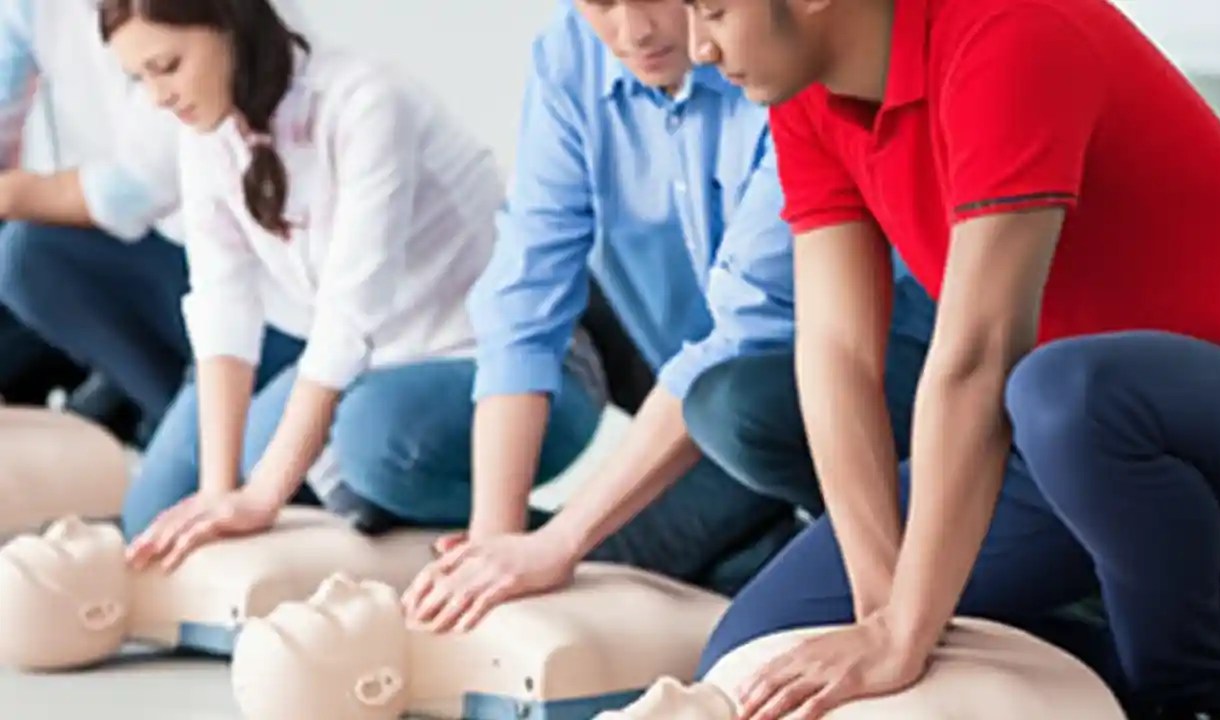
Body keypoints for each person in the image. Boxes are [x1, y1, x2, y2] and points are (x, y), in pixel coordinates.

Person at [683, 0, 1220, 718]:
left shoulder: (1012, 30)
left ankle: (1194, 692)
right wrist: (881, 611)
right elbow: (837, 350)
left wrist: (908, 631)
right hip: (1059, 447)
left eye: (713, 11)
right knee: (760, 654)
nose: (698, 47)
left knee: (1061, 394)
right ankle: (1147, 675)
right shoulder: (806, 87)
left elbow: (980, 353)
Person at [398, 0, 938, 631]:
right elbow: (525, 297)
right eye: (602, 4)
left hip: (864, 380)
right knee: (595, 556)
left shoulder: (779, 60)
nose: (634, 32)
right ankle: (766, 545)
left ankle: (812, 536)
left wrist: (560, 542)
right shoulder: (568, 55)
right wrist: (495, 535)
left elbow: (747, 326)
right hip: (698, 389)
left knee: (723, 417)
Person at [99, 0, 509, 571]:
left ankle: (530, 531)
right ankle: (365, 511)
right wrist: (219, 493)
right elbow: (222, 305)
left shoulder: (367, 103)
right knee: (172, 506)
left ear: (229, 24)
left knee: (366, 441)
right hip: (374, 367)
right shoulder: (206, 130)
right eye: (139, 78)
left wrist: (260, 499)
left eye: (167, 67)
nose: (157, 97)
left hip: (482, 363)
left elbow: (349, 317)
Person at [0, 0, 194, 425]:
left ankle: (180, 423)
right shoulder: (26, 8)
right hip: (132, 240)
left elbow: (144, 184)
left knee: (27, 253)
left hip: (202, 243)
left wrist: (17, 195)